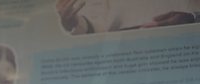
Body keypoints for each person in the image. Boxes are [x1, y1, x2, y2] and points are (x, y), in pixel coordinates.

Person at [56, 0, 200, 33]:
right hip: (128, 56)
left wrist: (194, 18)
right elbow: (97, 26)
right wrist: (75, 22)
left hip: (187, 51)